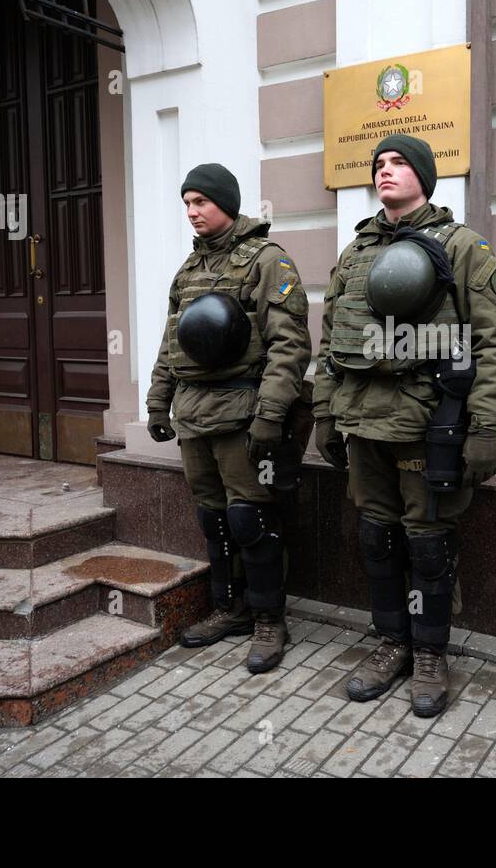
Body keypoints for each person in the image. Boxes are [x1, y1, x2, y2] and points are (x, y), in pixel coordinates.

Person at [313, 134, 496, 717]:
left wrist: (487, 428)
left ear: (426, 176)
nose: (386, 172)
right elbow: (331, 341)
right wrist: (325, 414)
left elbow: (494, 341)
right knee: (375, 536)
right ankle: (390, 643)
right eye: (379, 164)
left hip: (428, 424)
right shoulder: (355, 253)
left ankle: (430, 652)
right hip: (361, 421)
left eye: (400, 163)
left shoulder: (463, 246)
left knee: (428, 542)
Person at [146, 163, 311, 673]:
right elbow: (173, 343)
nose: (192, 213)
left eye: (201, 202)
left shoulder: (266, 261)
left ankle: (269, 619)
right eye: (187, 204)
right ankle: (230, 608)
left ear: (227, 203)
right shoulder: (188, 271)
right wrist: (158, 400)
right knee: (212, 517)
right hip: (194, 414)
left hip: (243, 414)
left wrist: (270, 413)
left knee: (250, 517)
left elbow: (290, 344)